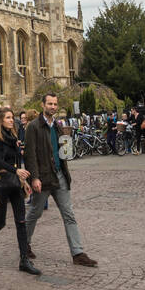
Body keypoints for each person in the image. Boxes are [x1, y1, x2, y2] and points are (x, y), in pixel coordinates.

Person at [23, 92, 97, 268]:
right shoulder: (33, 127)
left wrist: (67, 147)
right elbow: (30, 155)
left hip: (59, 176)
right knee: (35, 212)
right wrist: (34, 177)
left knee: (69, 214)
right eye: (50, 104)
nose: (53, 107)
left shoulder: (57, 125)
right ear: (43, 105)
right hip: (43, 178)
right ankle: (24, 244)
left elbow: (63, 153)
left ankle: (77, 252)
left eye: (55, 104)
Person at [0, 107, 39, 275]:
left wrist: (23, 179)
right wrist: (16, 172)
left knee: (21, 222)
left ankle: (24, 260)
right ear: (0, 120)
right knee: (0, 222)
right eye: (8, 117)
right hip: (1, 183)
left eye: (12, 117)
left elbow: (16, 162)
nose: (12, 120)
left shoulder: (13, 137)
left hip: (15, 183)